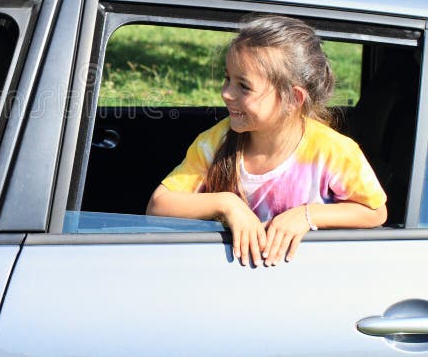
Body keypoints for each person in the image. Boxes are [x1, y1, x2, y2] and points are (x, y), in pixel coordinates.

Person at [146, 14, 387, 267]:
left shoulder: (333, 152)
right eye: (227, 78)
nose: (226, 92)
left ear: (293, 98)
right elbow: (159, 205)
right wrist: (228, 204)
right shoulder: (215, 141)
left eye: (244, 86)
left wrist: (307, 216)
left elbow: (375, 211)